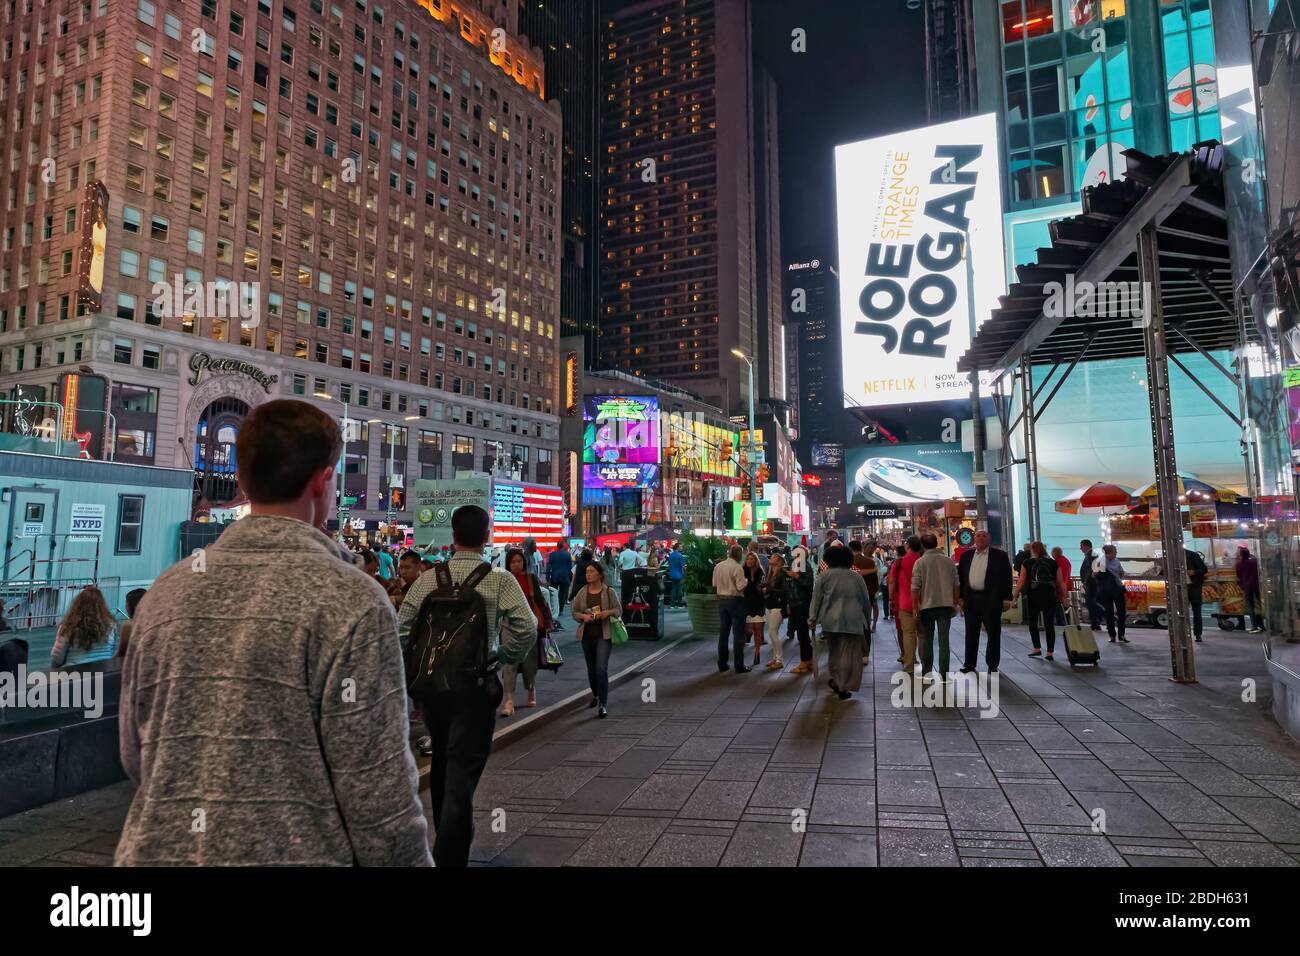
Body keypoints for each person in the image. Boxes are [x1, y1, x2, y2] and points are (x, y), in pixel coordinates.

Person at [116, 399, 431, 866]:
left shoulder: (166, 592)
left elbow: (135, 753)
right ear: (324, 482)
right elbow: (376, 791)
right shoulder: (353, 601)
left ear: (242, 482)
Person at [398, 504, 535, 867]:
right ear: (486, 535)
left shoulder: (429, 579)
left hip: (432, 688)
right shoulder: (500, 579)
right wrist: (501, 655)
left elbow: (400, 629)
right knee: (462, 765)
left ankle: (448, 834)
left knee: (443, 755)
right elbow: (528, 627)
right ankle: (451, 852)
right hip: (475, 687)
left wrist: (412, 669)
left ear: (452, 536)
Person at [808, 543, 872, 699]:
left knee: (835, 652)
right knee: (850, 654)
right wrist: (867, 620)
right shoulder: (856, 577)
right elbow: (865, 600)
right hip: (854, 620)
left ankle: (837, 679)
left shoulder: (823, 576)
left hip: (830, 621)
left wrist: (812, 618)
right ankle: (843, 684)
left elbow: (816, 600)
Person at [499, 548, 551, 717]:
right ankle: (508, 700)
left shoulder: (530, 578)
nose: (516, 565)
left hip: (529, 626)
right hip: (508, 626)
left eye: (519, 561)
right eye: (513, 562)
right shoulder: (503, 580)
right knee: (509, 664)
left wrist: (548, 621)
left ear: (524, 562)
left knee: (529, 664)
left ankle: (531, 688)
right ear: (508, 563)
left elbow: (539, 600)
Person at [957, 530, 1013, 673]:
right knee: (971, 633)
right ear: (974, 539)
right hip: (971, 599)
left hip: (991, 599)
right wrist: (960, 598)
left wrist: (1007, 598)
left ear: (989, 539)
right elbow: (961, 579)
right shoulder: (966, 556)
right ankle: (969, 664)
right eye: (978, 536)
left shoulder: (1000, 556)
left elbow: (1007, 577)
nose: (981, 538)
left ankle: (992, 664)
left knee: (993, 633)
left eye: (984, 536)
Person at [571, 561, 621, 718]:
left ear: (600, 574)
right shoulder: (582, 592)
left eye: (592, 571)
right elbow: (574, 612)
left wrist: (607, 613)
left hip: (603, 635)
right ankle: (596, 694)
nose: (588, 574)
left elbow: (618, 610)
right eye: (587, 572)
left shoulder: (608, 592)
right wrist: (583, 617)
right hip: (587, 636)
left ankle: (603, 703)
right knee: (591, 670)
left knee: (601, 669)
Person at [911, 532, 960, 683]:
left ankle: (927, 672)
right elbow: (956, 584)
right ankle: (944, 674)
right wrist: (955, 602)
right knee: (944, 641)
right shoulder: (948, 561)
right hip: (945, 606)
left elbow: (915, 588)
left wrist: (915, 608)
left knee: (927, 640)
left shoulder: (920, 562)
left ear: (923, 546)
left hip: (927, 607)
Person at [1014, 542, 1065, 660]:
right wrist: (1065, 597)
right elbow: (1060, 581)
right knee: (1049, 624)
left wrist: (1015, 595)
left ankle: (1036, 648)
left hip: (1034, 595)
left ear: (1032, 550)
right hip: (1050, 596)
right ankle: (1050, 652)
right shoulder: (1052, 562)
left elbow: (1021, 581)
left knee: (1033, 622)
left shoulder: (1027, 562)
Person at [51, 585, 117, 667]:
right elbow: (111, 651)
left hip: (75, 673)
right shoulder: (111, 626)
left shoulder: (69, 626)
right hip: (104, 672)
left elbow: (58, 658)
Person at [713, 544, 750, 673]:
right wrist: (746, 581)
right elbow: (740, 587)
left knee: (723, 633)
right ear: (739, 554)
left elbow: (714, 584)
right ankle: (738, 665)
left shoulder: (719, 566)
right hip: (735, 601)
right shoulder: (737, 567)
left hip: (722, 600)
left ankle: (722, 663)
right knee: (738, 634)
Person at [892, 537, 924, 673]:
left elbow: (892, 582)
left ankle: (909, 664)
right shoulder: (924, 561)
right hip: (924, 603)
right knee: (923, 635)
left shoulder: (900, 562)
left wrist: (891, 599)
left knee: (908, 634)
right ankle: (925, 665)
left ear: (908, 546)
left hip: (905, 603)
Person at [786, 546, 815, 674]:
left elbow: (808, 584)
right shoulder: (799, 565)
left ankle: (805, 662)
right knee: (802, 634)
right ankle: (808, 660)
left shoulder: (804, 565)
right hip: (797, 603)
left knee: (802, 633)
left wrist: (796, 577)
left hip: (802, 604)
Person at [1093, 544, 1130, 643]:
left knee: (1122, 612)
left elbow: (1121, 572)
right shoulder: (1099, 561)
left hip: (1117, 588)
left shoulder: (1117, 561)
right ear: (1108, 553)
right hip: (1106, 590)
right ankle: (1112, 635)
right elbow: (1094, 575)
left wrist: (1120, 574)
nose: (1116, 553)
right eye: (1115, 552)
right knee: (1109, 613)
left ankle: (1121, 634)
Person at [760, 552, 789, 671]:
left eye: (773, 557)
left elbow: (785, 590)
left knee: (772, 631)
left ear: (779, 560)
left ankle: (779, 659)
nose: (770, 558)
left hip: (778, 604)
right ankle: (775, 657)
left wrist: (768, 589)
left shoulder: (782, 573)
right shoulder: (770, 572)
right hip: (770, 604)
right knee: (773, 633)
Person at [849, 540, 880, 631]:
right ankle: (868, 628)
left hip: (853, 592)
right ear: (862, 548)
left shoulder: (849, 561)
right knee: (867, 613)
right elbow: (874, 580)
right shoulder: (870, 562)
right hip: (868, 591)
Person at [742, 552, 766, 668]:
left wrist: (762, 588)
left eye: (752, 559)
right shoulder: (742, 571)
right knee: (745, 630)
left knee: (757, 630)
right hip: (746, 604)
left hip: (758, 603)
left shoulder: (760, 572)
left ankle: (757, 653)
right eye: (748, 559)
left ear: (756, 561)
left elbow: (762, 587)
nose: (750, 561)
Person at [1235, 546, 1263, 633]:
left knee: (1251, 606)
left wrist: (1241, 585)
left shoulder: (1239, 564)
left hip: (1247, 586)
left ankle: (1254, 626)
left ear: (1241, 555)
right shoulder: (1254, 562)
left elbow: (1238, 576)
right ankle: (1262, 625)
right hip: (1257, 585)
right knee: (1260, 605)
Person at [115, 587, 148, 660]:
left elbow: (121, 652)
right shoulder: (154, 622)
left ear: (130, 606)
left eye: (126, 603)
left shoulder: (129, 625)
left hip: (135, 664)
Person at [545, 539, 573, 620]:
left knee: (553, 593)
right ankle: (561, 610)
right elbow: (569, 568)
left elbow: (549, 566)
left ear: (557, 546)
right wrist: (570, 578)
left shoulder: (552, 554)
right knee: (562, 594)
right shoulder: (567, 555)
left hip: (554, 576)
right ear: (563, 546)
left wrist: (547, 576)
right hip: (565, 576)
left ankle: (554, 609)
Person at [1078, 539, 1103, 632]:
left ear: (1086, 546)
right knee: (1091, 603)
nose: (1080, 548)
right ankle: (1095, 622)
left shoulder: (1090, 555)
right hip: (1091, 583)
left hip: (1091, 583)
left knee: (1091, 603)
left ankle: (1104, 615)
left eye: (1081, 546)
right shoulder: (1091, 555)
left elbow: (1090, 569)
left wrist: (1086, 581)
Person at [1185, 547, 1208, 642]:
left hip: (1194, 587)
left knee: (1196, 611)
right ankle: (1184, 633)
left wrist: (1194, 572)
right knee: (1182, 612)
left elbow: (1204, 569)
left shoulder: (1193, 555)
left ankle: (1198, 634)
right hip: (1181, 587)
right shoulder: (1172, 557)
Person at [1051, 546, 1073, 626]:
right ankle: (1062, 621)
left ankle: (1061, 621)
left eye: (1052, 552)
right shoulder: (1065, 560)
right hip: (1065, 585)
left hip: (1061, 587)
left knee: (1059, 604)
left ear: (1055, 553)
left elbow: (1061, 577)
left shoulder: (1059, 561)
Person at [665, 541, 686, 607]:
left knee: (673, 589)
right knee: (679, 590)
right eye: (681, 547)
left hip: (672, 574)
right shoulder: (680, 556)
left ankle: (672, 604)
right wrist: (684, 574)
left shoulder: (671, 555)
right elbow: (683, 566)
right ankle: (680, 604)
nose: (682, 548)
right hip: (679, 575)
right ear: (677, 547)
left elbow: (669, 565)